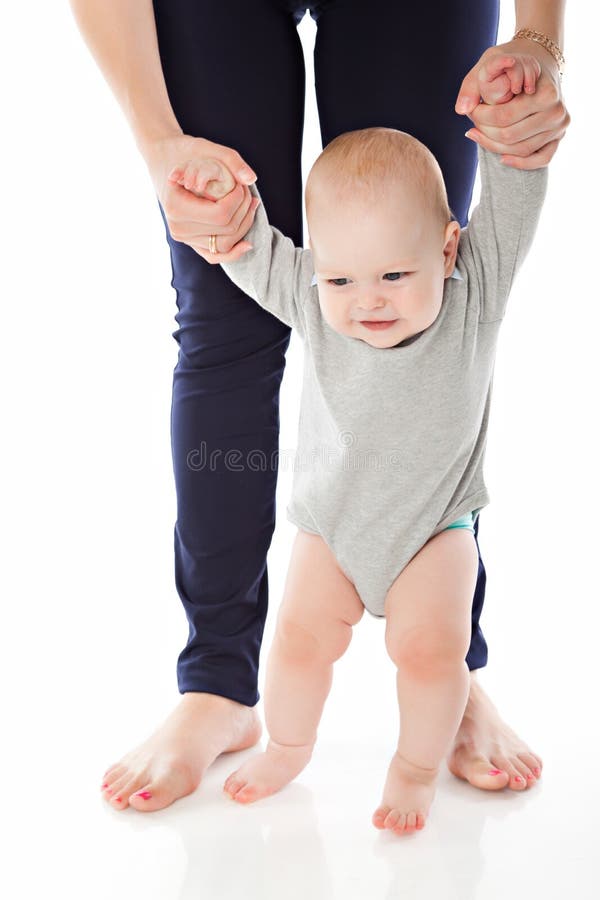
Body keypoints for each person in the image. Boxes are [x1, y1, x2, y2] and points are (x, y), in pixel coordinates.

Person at [67, 0, 569, 814]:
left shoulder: (469, 278)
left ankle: (444, 699)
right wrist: (176, 161)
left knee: (403, 231)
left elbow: (505, 205)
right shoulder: (313, 293)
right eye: (337, 279)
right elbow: (251, 253)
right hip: (330, 528)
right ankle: (225, 690)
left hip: (434, 528)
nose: (364, 301)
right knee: (226, 319)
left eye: (387, 282)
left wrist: (534, 55)